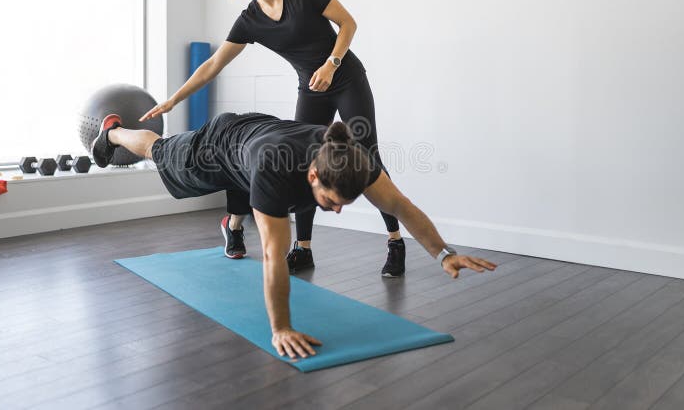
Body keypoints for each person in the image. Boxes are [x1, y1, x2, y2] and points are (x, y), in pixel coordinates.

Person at [91, 111, 497, 359]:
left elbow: (402, 207)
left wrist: (444, 253)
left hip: (256, 138)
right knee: (159, 150)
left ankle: (230, 222)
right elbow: (273, 255)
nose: (337, 210)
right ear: (313, 175)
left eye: (344, 204)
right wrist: (281, 328)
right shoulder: (275, 171)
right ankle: (113, 134)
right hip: (217, 147)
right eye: (332, 201)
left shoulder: (353, 161)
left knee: (249, 189)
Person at [139, 0, 403, 277]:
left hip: (346, 78)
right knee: (306, 160)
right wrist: (174, 99)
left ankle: (395, 242)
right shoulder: (251, 19)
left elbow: (348, 23)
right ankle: (303, 248)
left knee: (367, 156)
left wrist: (331, 64)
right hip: (311, 88)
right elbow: (213, 64)